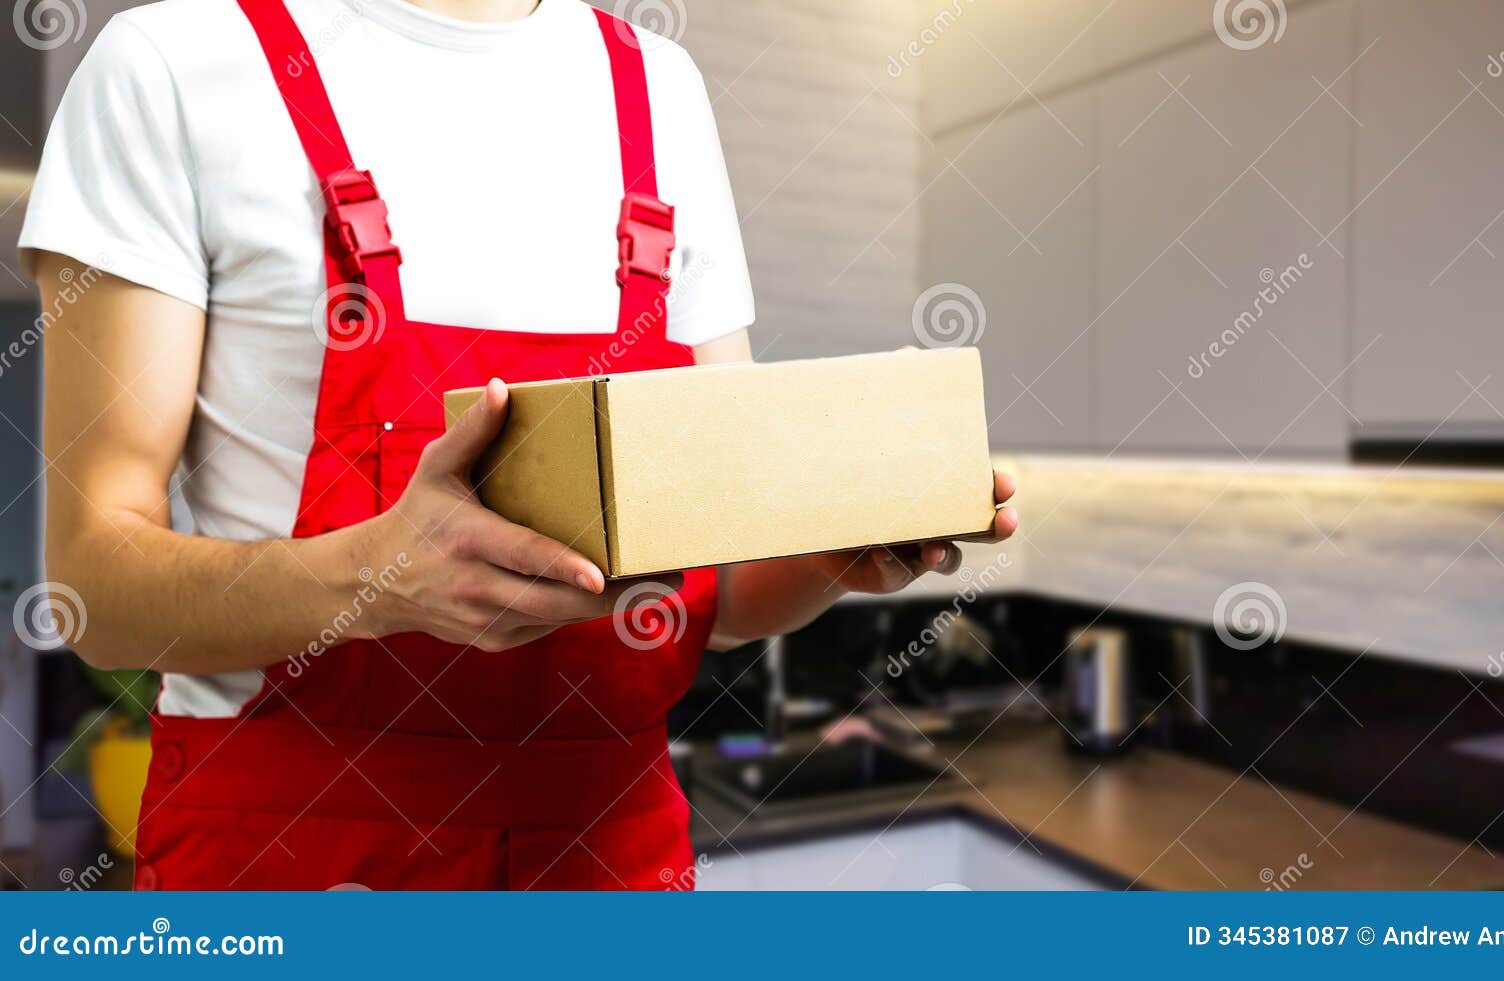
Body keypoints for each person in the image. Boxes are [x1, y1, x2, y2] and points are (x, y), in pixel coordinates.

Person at [21, 0, 1017, 890]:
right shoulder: (176, 63)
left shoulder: (659, 89)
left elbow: (712, 590)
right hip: (295, 857)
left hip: (611, 861)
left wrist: (835, 547)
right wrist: (376, 579)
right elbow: (94, 591)